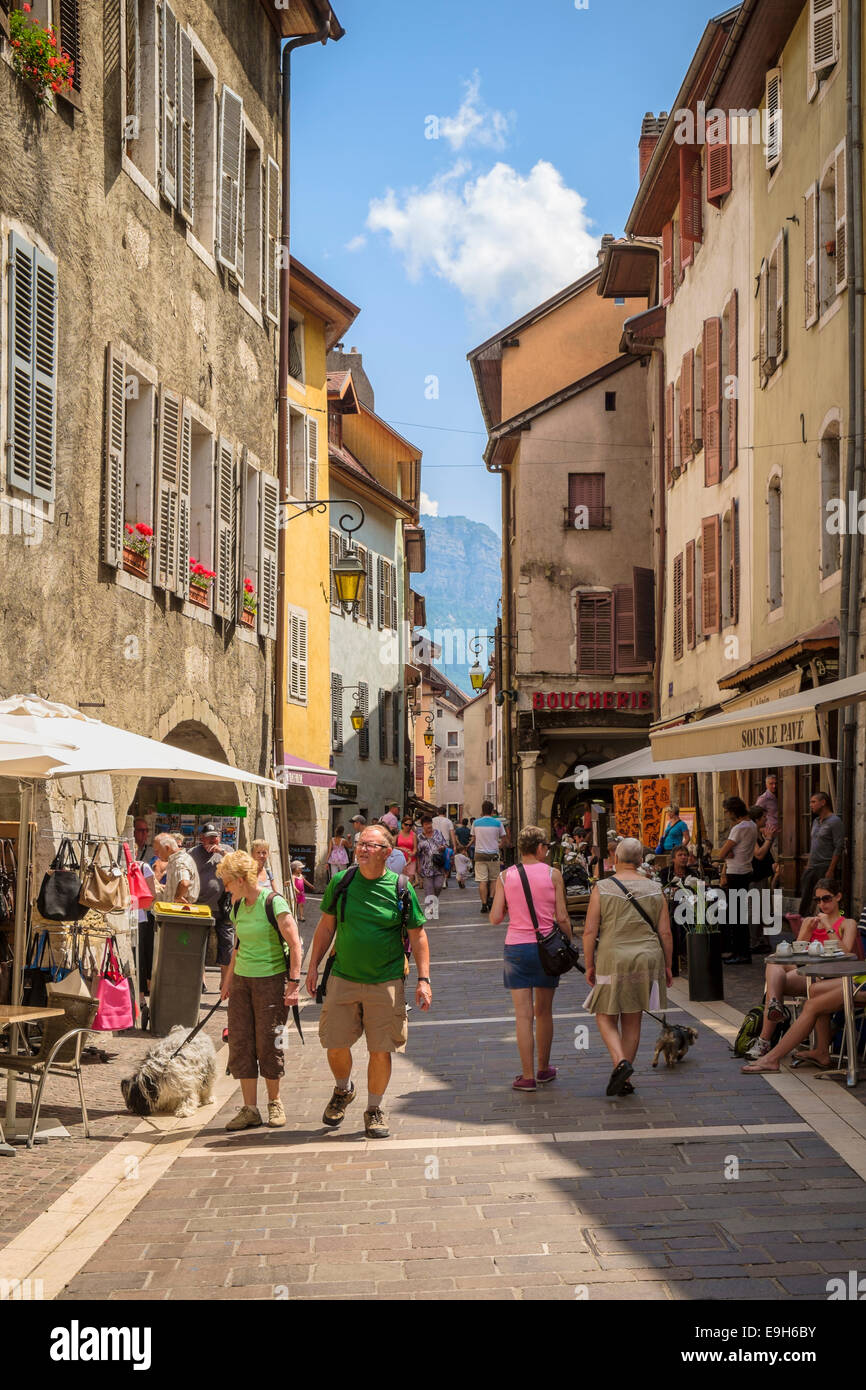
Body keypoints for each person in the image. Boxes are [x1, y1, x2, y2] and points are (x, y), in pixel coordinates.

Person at [306, 823, 431, 1139]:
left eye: (370, 845)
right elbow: (326, 927)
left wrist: (424, 979)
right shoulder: (342, 882)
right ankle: (343, 1089)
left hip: (386, 981)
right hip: (343, 976)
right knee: (335, 1043)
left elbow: (418, 936)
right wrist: (312, 968)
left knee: (381, 1049)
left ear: (387, 853)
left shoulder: (401, 888)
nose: (361, 848)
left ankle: (374, 1109)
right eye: (360, 843)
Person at [217, 850, 302, 1130]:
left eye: (228, 882)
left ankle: (274, 1102)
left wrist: (293, 984)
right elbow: (237, 946)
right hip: (242, 982)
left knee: (271, 1042)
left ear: (241, 880)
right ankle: (249, 1109)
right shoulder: (238, 906)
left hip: (271, 981)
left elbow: (295, 943)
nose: (225, 888)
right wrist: (228, 980)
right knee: (241, 1042)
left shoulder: (273, 902)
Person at [583, 837, 673, 1097]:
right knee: (633, 1018)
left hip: (613, 957)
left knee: (604, 1013)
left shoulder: (603, 887)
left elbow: (590, 931)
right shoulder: (655, 888)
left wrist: (589, 964)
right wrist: (668, 965)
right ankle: (624, 1078)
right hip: (647, 957)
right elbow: (665, 933)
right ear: (640, 860)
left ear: (616, 858)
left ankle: (620, 1062)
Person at [489, 825, 572, 1090]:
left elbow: (495, 918)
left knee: (523, 1015)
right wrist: (569, 941)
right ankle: (544, 1069)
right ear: (538, 847)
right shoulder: (553, 874)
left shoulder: (505, 876)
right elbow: (562, 916)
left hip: (516, 948)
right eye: (545, 846)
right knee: (544, 1012)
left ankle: (527, 1076)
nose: (546, 851)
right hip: (546, 949)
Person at [742, 878, 858, 1060]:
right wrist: (807, 930)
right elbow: (796, 953)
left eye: (826, 898)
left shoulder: (847, 923)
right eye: (817, 900)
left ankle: (765, 1039)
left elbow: (846, 952)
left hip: (832, 978)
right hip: (809, 973)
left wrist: (828, 927)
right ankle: (774, 1007)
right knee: (774, 961)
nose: (822, 904)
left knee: (775, 980)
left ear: (838, 897)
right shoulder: (811, 922)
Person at [741, 965, 866, 1074]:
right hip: (858, 980)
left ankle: (771, 1059)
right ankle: (821, 1051)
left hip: (860, 985)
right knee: (814, 989)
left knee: (811, 1006)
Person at [189, 824, 232, 995]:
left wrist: (221, 852)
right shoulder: (193, 853)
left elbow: (238, 864)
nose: (213, 840)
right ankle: (201, 981)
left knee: (227, 944)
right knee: (199, 945)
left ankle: (225, 981)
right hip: (201, 906)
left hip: (223, 906)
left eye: (216, 836)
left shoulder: (227, 851)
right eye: (210, 837)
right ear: (202, 838)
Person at [716, 796, 757, 965]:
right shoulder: (752, 825)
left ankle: (742, 953)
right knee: (739, 914)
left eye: (727, 811)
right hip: (745, 870)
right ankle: (738, 950)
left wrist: (728, 853)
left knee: (736, 915)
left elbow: (721, 853)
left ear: (733, 811)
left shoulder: (738, 828)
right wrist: (730, 852)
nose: (726, 815)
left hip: (736, 872)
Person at [799, 791, 844, 916]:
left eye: (813, 802)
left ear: (823, 802)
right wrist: (808, 864)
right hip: (812, 866)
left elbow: (838, 847)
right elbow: (814, 844)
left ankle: (827, 925)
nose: (810, 805)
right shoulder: (815, 821)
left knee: (825, 900)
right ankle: (804, 925)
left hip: (825, 867)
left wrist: (831, 870)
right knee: (806, 900)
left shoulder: (835, 821)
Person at [471, 800, 509, 914]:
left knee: (482, 881)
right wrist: (499, 846)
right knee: (493, 879)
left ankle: (483, 904)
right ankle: (491, 899)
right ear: (492, 811)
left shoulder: (476, 823)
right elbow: (504, 839)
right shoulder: (498, 823)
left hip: (479, 854)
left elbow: (474, 839)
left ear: (482, 810)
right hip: (493, 854)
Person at [748, 806, 776, 953]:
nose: (766, 819)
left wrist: (769, 839)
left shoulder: (758, 834)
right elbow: (759, 854)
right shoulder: (751, 834)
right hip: (755, 877)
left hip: (763, 876)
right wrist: (769, 839)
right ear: (757, 819)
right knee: (755, 910)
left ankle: (762, 941)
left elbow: (766, 854)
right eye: (764, 817)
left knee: (765, 910)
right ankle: (753, 942)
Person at [416, 815, 449, 919]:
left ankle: (433, 900)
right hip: (426, 867)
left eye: (430, 823)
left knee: (438, 886)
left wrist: (443, 847)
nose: (429, 826)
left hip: (439, 866)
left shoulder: (438, 833)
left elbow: (445, 845)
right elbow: (418, 853)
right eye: (426, 824)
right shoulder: (419, 837)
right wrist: (418, 866)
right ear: (422, 826)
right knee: (429, 888)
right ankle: (430, 907)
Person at [152, 833, 200, 904]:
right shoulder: (175, 860)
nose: (155, 854)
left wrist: (178, 897)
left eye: (157, 851)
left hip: (180, 909)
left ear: (167, 848)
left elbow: (184, 883)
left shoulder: (180, 862)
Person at [755, 773, 779, 844]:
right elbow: (755, 815)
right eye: (771, 784)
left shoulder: (778, 795)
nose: (774, 786)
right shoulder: (763, 798)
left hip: (780, 832)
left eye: (775, 783)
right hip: (770, 834)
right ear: (766, 785)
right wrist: (762, 829)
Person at [396, 815, 419, 884]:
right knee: (401, 882)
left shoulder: (413, 835)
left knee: (409, 882)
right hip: (400, 860)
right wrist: (401, 848)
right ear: (402, 824)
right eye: (406, 824)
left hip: (411, 860)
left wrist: (413, 853)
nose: (408, 827)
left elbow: (415, 849)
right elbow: (392, 846)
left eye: (410, 825)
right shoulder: (398, 834)